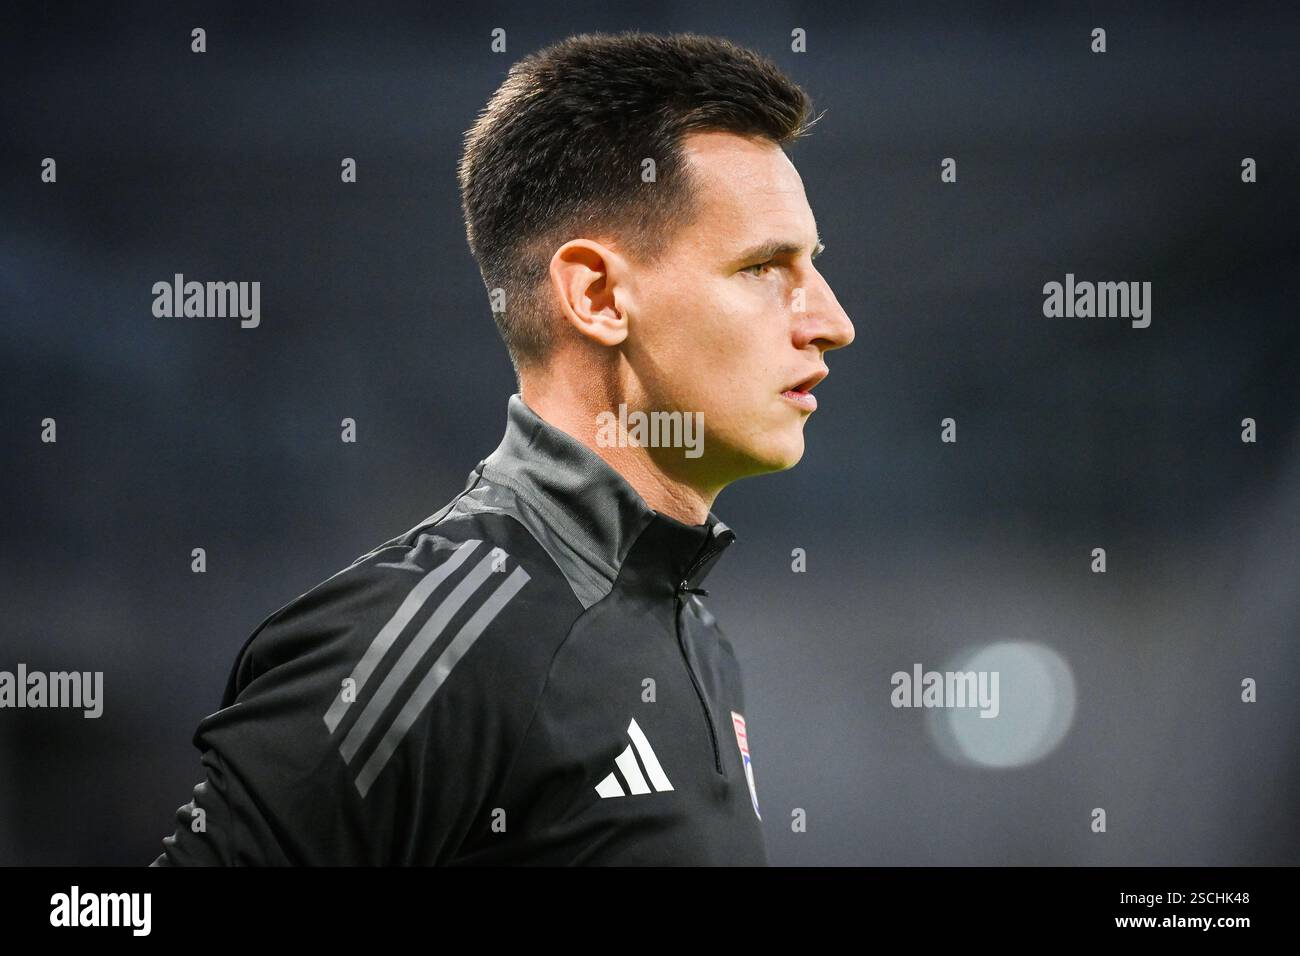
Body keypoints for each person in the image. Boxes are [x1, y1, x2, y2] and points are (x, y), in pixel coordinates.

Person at [151, 29, 854, 866]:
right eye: (764, 267)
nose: (832, 322)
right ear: (595, 295)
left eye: (811, 265)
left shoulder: (689, 626)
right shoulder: (417, 639)